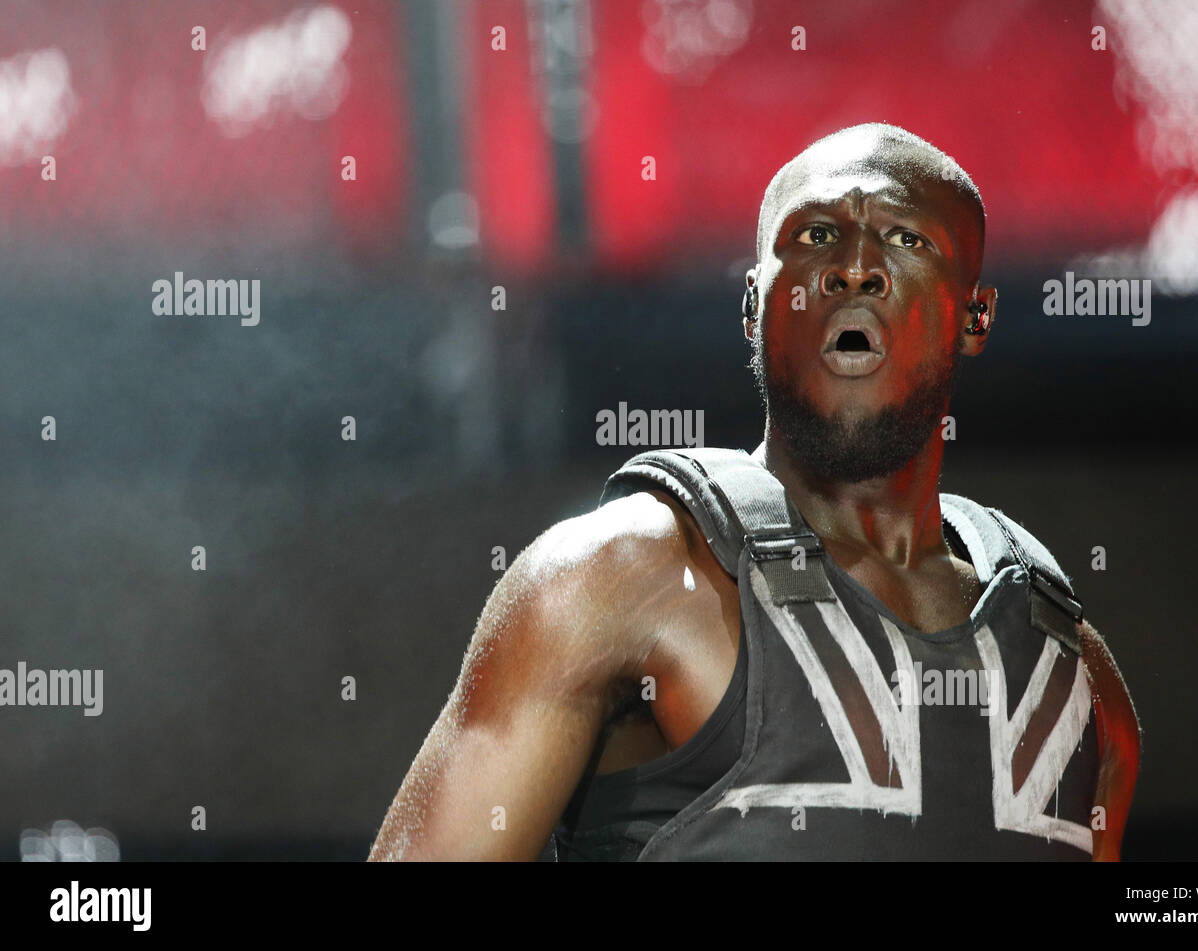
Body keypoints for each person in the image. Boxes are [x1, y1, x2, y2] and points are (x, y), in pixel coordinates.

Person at [368, 123, 1141, 862]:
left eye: (906, 239)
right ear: (752, 305)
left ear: (976, 315)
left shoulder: (1075, 676)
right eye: (814, 235)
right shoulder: (613, 579)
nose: (855, 266)